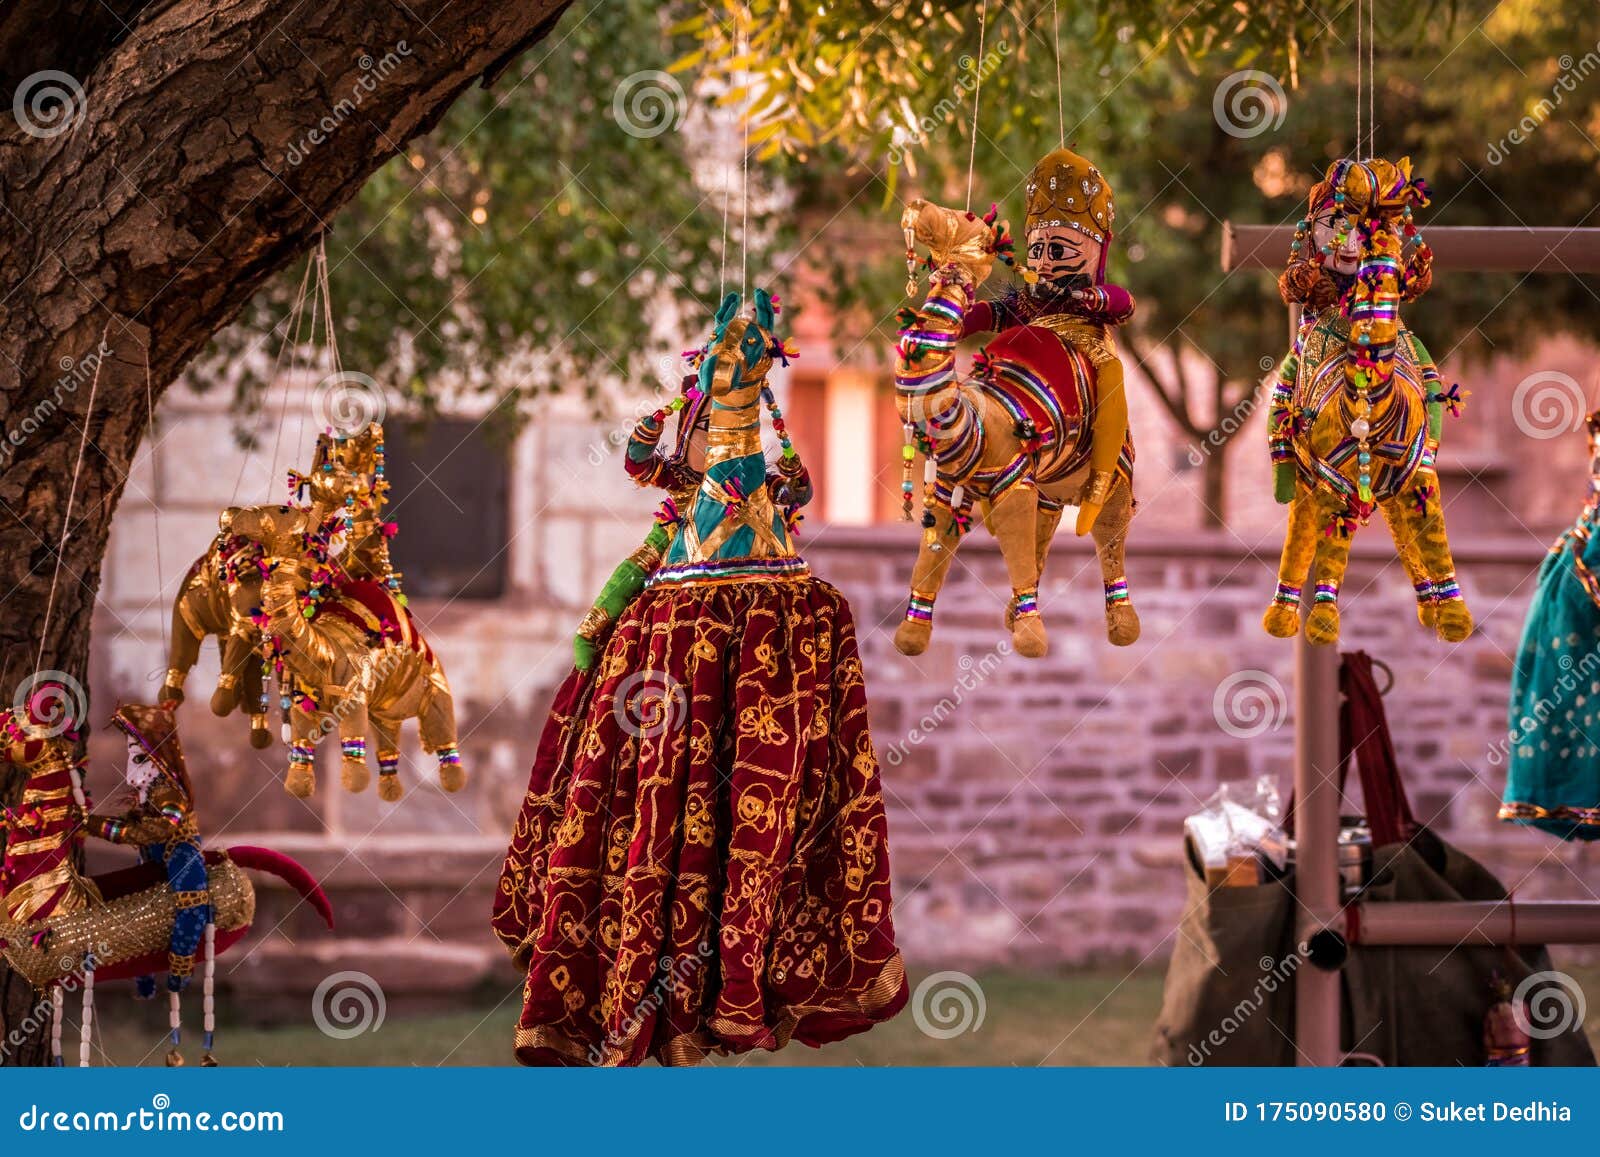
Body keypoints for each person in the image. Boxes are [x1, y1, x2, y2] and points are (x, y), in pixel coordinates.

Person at [496, 291, 906, 1066]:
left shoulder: (771, 499)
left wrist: (787, 473)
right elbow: (637, 471)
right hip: (674, 643)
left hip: (753, 645)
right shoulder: (674, 514)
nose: (715, 423)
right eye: (703, 421)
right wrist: (596, 625)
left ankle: (742, 968)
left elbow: (795, 483)